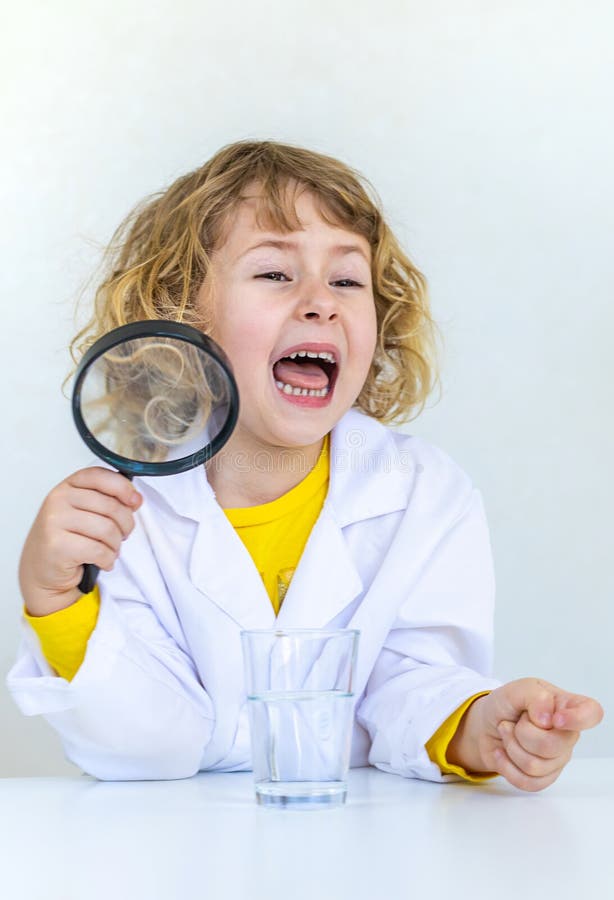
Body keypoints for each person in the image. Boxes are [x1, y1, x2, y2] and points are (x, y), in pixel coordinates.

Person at [8, 140, 602, 789]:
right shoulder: (121, 521)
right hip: (182, 854)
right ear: (180, 313)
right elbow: (149, 744)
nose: (322, 301)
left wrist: (477, 724)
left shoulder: (426, 494)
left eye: (347, 280)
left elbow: (412, 685)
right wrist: (58, 601)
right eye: (274, 274)